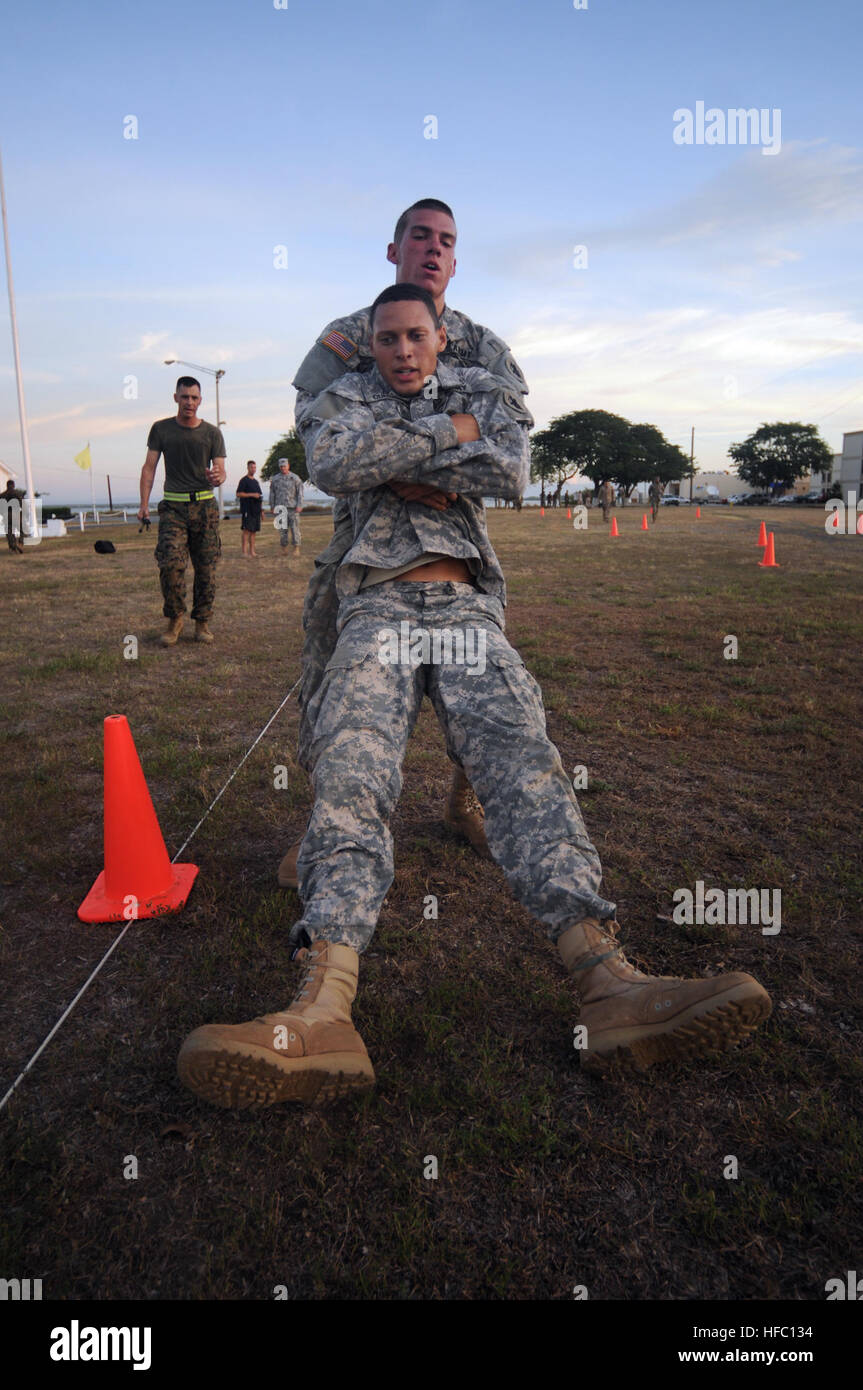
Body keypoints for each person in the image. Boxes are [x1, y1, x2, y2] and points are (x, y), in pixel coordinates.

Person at [177, 284, 772, 1110]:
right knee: (350, 782)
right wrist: (441, 439)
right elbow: (334, 464)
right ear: (373, 344)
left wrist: (411, 452)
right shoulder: (341, 396)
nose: (403, 350)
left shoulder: (479, 387)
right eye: (387, 338)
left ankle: (608, 985)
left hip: (461, 606)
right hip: (376, 603)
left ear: (438, 335)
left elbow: (509, 464)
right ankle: (320, 1013)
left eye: (416, 335)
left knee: (524, 767)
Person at [275, 196, 533, 888]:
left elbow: (509, 453)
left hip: (456, 530)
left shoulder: (480, 347)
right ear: (393, 251)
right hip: (362, 538)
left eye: (446, 240)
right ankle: (327, 822)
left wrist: (393, 458)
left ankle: (464, 799)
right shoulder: (348, 339)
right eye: (419, 236)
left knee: (481, 675)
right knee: (329, 671)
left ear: (455, 256)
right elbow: (323, 450)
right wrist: (450, 439)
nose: (433, 249)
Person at [138, 377, 226, 646]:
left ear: (201, 400)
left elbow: (221, 471)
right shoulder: (161, 429)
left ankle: (202, 622)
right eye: (185, 397)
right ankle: (175, 619)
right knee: (171, 564)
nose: (190, 402)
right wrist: (143, 504)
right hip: (173, 508)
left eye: (194, 398)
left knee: (206, 569)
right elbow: (149, 468)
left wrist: (218, 477)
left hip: (205, 508)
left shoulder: (212, 433)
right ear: (175, 397)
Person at [268, 458, 304, 556]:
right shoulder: (275, 479)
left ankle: (296, 548)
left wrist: (300, 505)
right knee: (282, 530)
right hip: (280, 508)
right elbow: (272, 493)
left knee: (295, 529)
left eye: (284, 466)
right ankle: (283, 549)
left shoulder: (295, 478)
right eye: (281, 466)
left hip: (293, 507)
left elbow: (300, 493)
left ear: (288, 466)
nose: (283, 468)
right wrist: (272, 506)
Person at [236, 460, 262, 556]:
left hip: (256, 511)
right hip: (247, 510)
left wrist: (261, 511)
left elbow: (259, 496)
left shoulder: (255, 482)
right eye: (252, 467)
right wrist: (251, 494)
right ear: (248, 468)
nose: (253, 469)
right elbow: (238, 493)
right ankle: (244, 552)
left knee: (253, 531)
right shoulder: (244, 480)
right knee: (246, 531)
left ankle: (252, 552)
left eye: (255, 467)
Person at [2, 479, 25, 553]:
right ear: (13, 485)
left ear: (7, 485)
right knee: (22, 529)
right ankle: (20, 542)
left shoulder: (2, 495)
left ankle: (13, 545)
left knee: (9, 531)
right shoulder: (18, 493)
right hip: (16, 513)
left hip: (6, 514)